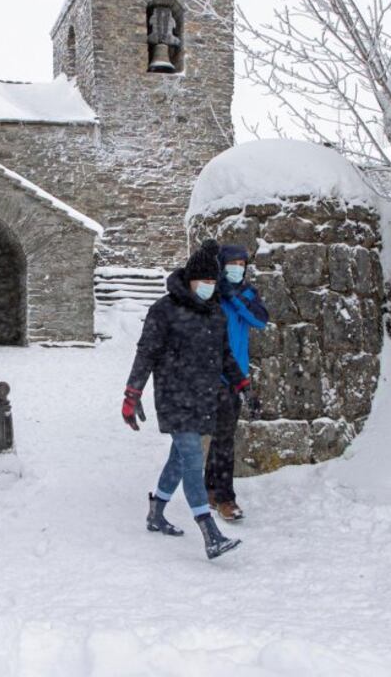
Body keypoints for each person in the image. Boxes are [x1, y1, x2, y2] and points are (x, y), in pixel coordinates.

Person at [121, 239, 251, 560]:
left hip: (203, 397)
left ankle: (156, 513)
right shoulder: (164, 311)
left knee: (179, 458)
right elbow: (146, 353)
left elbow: (224, 355)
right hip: (173, 396)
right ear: (190, 280)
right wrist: (132, 393)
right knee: (193, 459)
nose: (208, 287)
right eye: (203, 282)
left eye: (212, 282)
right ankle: (210, 533)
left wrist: (242, 383)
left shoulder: (215, 313)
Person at [206, 244, 269, 522]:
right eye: (231, 263)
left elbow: (260, 320)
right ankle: (214, 492)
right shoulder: (210, 294)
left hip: (234, 377)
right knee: (209, 436)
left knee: (224, 439)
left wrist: (235, 297)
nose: (237, 268)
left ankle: (223, 496)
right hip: (208, 373)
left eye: (242, 264)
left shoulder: (246, 294)